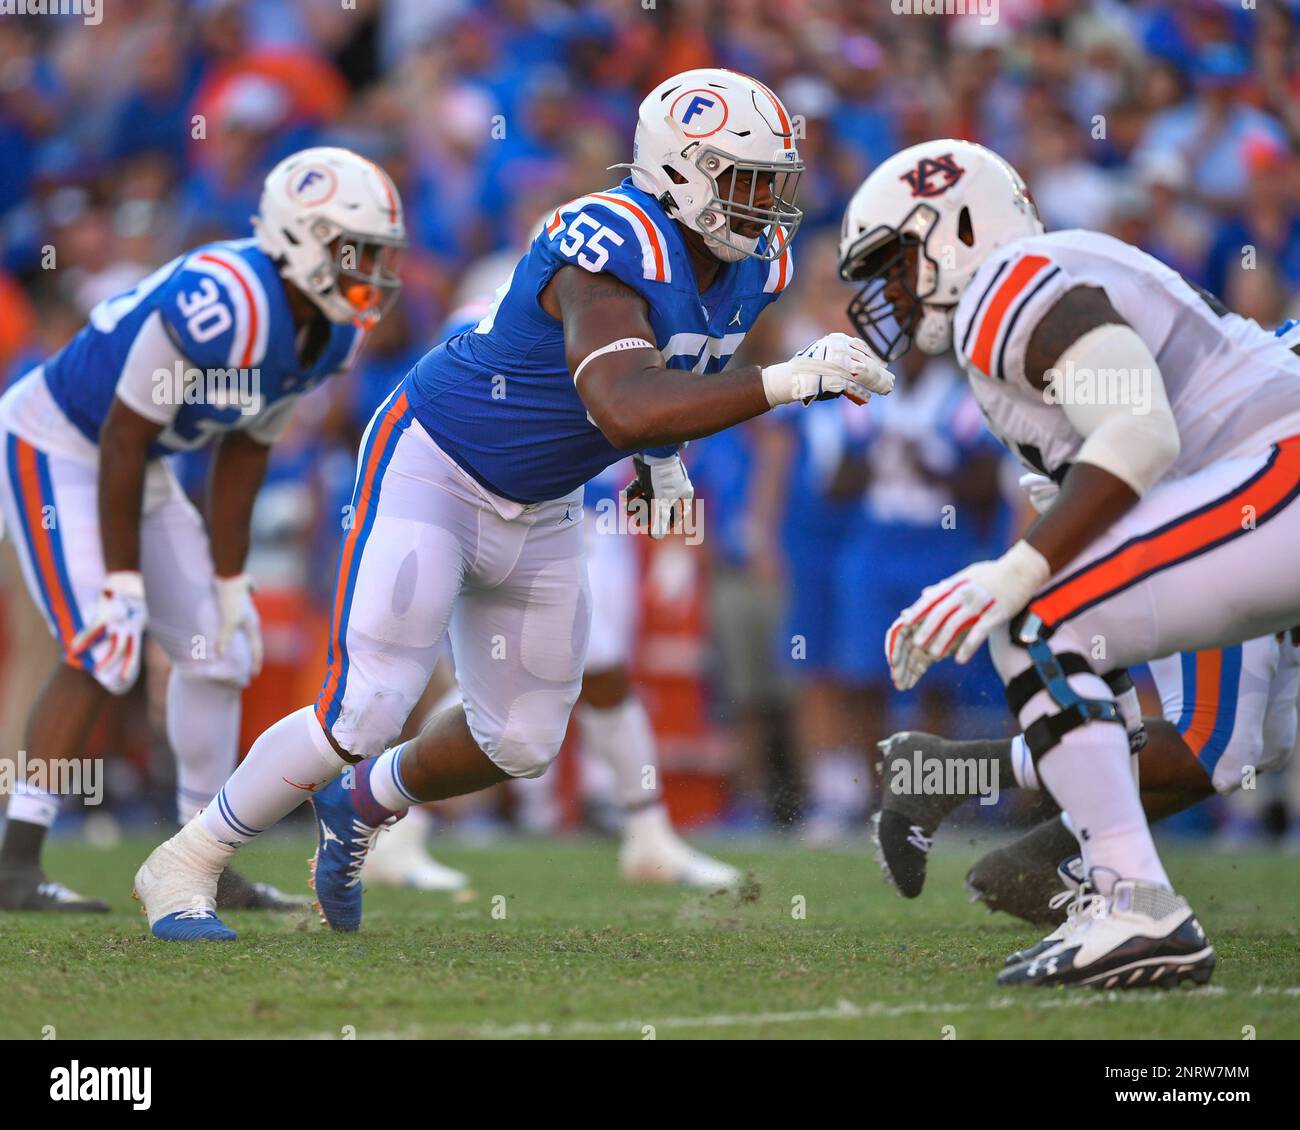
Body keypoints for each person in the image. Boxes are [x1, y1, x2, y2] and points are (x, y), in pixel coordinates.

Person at [134, 68, 893, 941]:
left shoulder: (757, 263)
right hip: (440, 464)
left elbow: (671, 377)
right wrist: (789, 380)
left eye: (774, 182)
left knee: (523, 741)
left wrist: (662, 461)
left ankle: (362, 805)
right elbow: (624, 398)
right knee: (368, 704)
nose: (765, 204)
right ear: (679, 172)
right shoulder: (606, 240)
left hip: (542, 498)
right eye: (744, 180)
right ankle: (186, 861)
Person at [840, 138, 1300, 988]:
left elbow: (1140, 432)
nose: (890, 295)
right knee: (1228, 744)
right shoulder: (1020, 317)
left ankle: (1134, 906)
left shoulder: (1005, 285)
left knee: (1035, 614)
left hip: (1265, 472)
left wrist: (1017, 570)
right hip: (1242, 485)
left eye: (897, 264)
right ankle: (1094, 870)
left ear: (957, 227)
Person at [0, 146, 405, 912]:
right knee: (106, 639)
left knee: (220, 650)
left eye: (379, 252)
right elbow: (121, 434)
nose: (372, 269)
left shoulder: (331, 332)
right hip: (58, 439)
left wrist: (228, 581)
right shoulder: (221, 298)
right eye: (356, 249)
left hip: (135, 458)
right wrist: (124, 583)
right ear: (298, 238)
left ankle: (201, 856)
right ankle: (15, 861)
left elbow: (246, 448)